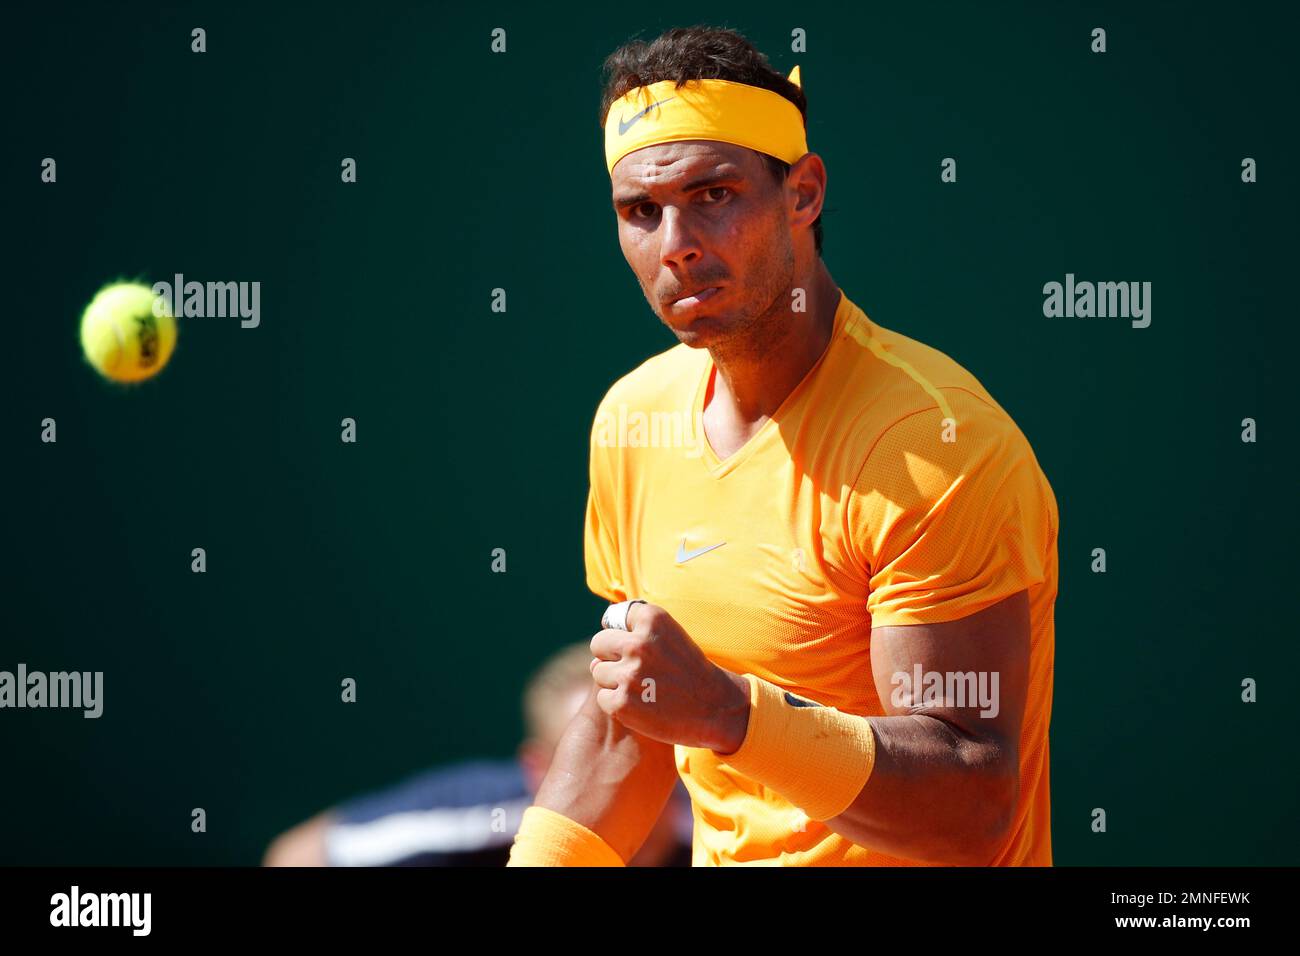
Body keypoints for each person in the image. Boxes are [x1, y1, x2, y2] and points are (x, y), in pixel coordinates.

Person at [508, 26, 1059, 867]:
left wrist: (731, 716)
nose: (676, 242)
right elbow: (635, 727)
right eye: (640, 212)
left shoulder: (933, 445)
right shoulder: (634, 417)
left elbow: (970, 810)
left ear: (802, 194)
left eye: (714, 194)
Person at [263, 643, 691, 866]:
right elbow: (298, 857)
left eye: (643, 749)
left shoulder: (723, 825)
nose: (621, 777)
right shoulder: (469, 821)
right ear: (536, 770)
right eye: (586, 757)